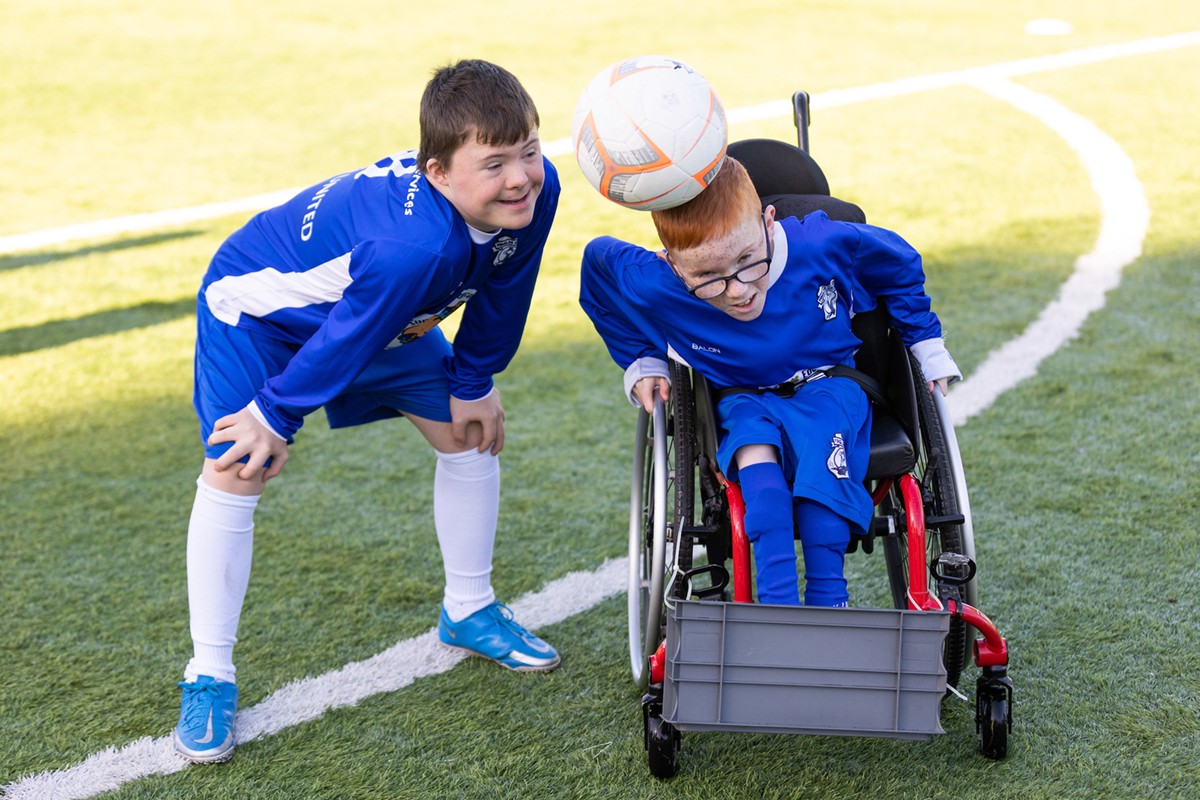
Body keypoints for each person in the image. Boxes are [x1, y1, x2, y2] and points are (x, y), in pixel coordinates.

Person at [175, 59, 561, 765]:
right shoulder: (413, 247)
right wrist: (275, 413)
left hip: (379, 311)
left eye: (530, 150)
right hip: (259, 310)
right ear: (438, 172)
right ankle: (209, 673)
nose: (521, 178)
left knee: (467, 431)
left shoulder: (535, 191)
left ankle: (469, 609)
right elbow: (347, 336)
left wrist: (473, 378)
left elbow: (508, 282)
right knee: (238, 465)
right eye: (495, 162)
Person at [579, 156, 959, 609]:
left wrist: (927, 345)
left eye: (746, 261)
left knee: (822, 488)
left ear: (768, 223)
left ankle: (827, 602)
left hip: (828, 386)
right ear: (673, 265)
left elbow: (899, 262)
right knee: (763, 493)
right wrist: (642, 361)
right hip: (744, 398)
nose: (736, 290)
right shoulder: (656, 282)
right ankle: (777, 607)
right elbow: (596, 267)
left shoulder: (819, 243)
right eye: (707, 277)